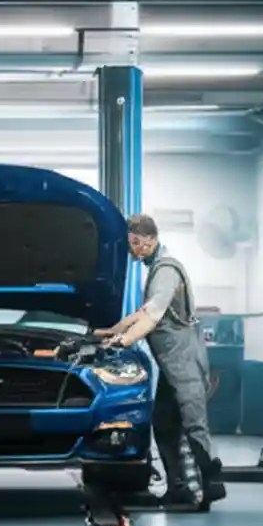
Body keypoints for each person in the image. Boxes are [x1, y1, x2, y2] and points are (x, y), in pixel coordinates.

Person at [94, 214, 225, 510]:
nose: (134, 250)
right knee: (164, 422)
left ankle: (210, 487)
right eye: (132, 245)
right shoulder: (155, 269)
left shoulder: (166, 270)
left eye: (138, 243)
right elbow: (142, 312)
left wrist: (123, 342)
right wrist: (113, 331)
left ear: (152, 239)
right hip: (170, 364)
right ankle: (178, 487)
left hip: (184, 360)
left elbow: (152, 318)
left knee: (193, 423)